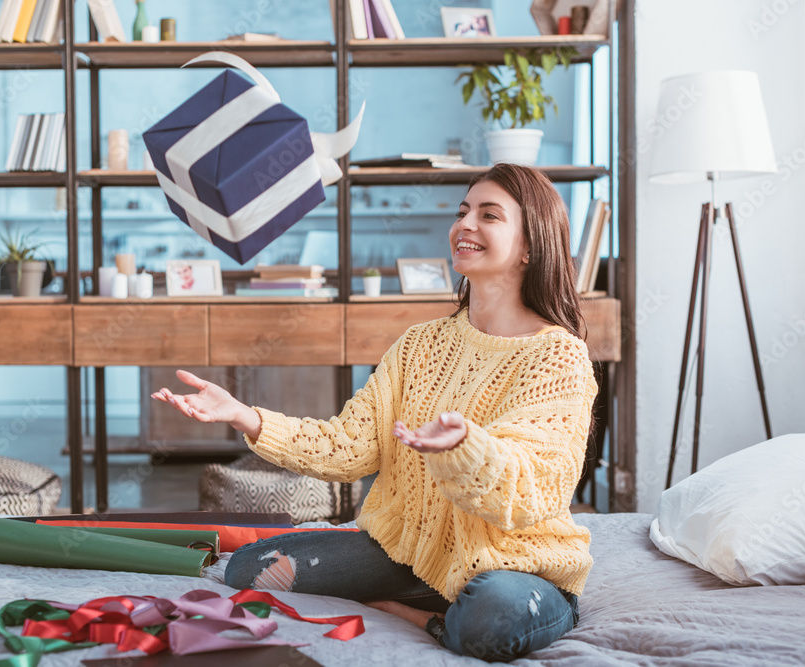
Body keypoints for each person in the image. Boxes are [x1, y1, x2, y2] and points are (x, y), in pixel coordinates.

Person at [151, 163, 598, 662]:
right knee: (251, 567)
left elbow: (531, 487)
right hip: (410, 551)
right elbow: (348, 446)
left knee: (492, 618)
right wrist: (244, 416)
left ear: (531, 246)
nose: (465, 224)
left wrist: (462, 447)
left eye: (489, 215)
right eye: (463, 211)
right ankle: (429, 601)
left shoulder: (558, 356)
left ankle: (422, 616)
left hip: (514, 567)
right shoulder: (420, 345)